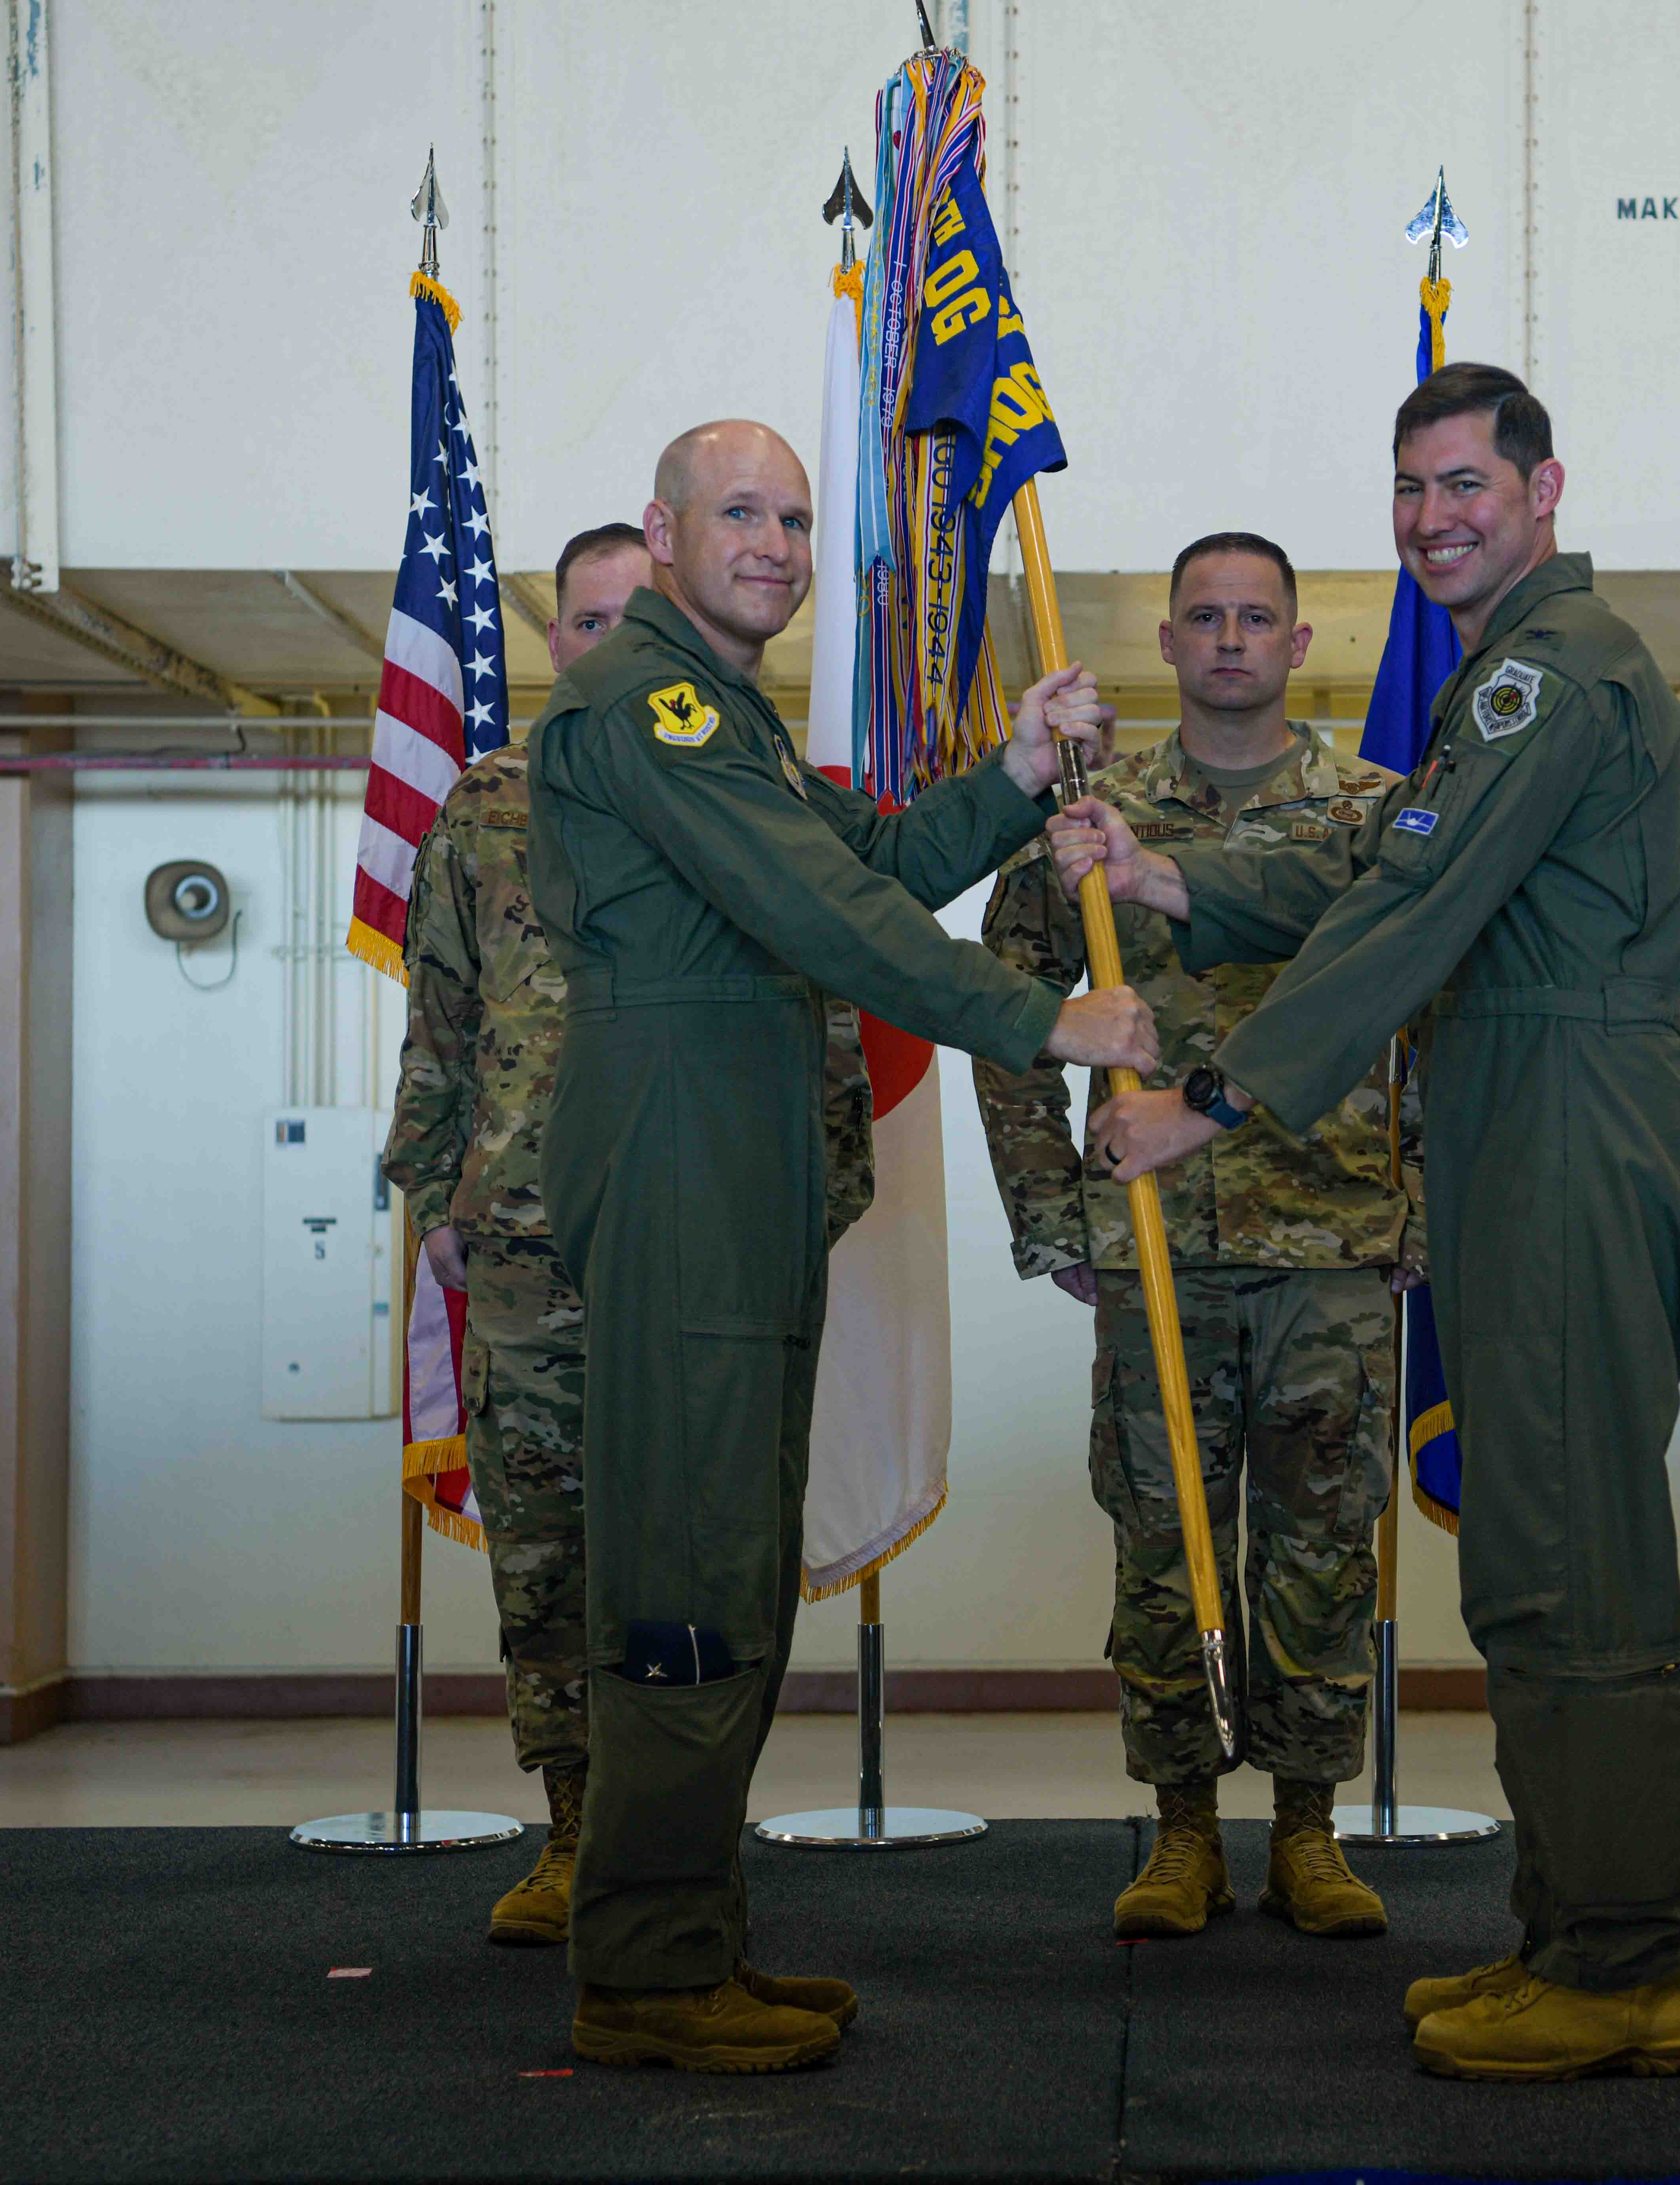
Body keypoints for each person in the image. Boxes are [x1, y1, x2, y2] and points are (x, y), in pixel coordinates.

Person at [1054, 365, 1680, 2083]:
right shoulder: (1510, 677)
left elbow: (1409, 914)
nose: (1434, 519)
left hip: (1571, 1129)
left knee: (1573, 1573)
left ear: (1543, 490)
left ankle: (1627, 1968)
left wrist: (1207, 1104)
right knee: (1533, 1561)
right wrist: (1168, 877)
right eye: (1412, 489)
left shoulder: (1551, 673)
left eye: (1466, 485)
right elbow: (1381, 875)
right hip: (1525, 1129)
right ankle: (1572, 1935)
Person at [526, 419, 1157, 2075]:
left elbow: (863, 859)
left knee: (731, 1554)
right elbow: (826, 914)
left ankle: (690, 1935)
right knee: (685, 1569)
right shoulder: (649, 703)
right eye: (740, 512)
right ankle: (648, 1967)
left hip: (731, 1164)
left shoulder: (720, 714)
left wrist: (1012, 775)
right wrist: (1042, 1019)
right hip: (680, 1158)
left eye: (797, 519)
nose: (777, 544)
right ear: (663, 533)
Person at [383, 522, 885, 1953]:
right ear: (558, 642)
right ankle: (573, 1832)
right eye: (590, 625)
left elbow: (820, 1011)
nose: (614, 650)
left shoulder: (730, 782)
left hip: (702, 1232)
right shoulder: (487, 805)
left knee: (701, 1557)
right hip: (529, 1250)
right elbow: (440, 1020)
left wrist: (817, 1196)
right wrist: (433, 1198)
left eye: (635, 624)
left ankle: (677, 1843)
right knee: (548, 1554)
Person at [976, 531, 1414, 1944]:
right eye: (1206, 618)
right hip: (1154, 1238)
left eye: (1257, 618)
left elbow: (1433, 1018)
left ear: (1300, 643)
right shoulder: (1089, 824)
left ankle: (1307, 1829)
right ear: (1165, 642)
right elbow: (1010, 1016)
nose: (1231, 639)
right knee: (1163, 1541)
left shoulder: (1372, 815)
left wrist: (1418, 1203)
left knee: (1322, 1544)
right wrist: (1051, 1210)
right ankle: (1181, 1832)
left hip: (1331, 1244)